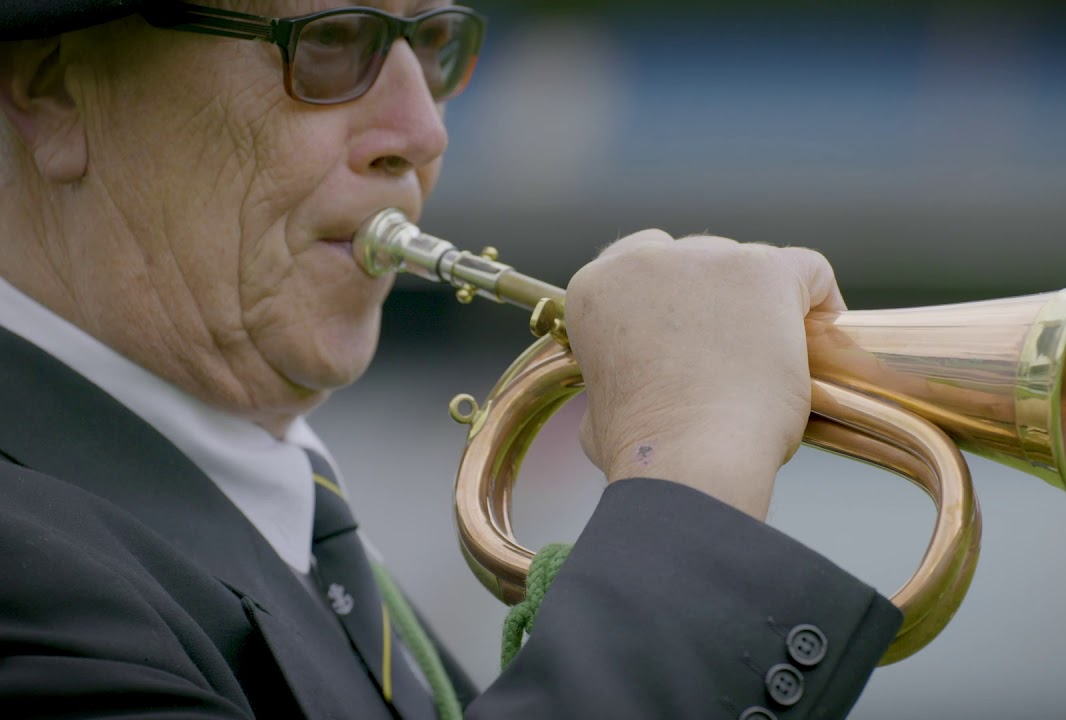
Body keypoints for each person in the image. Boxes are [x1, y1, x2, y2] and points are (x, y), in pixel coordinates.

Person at [0, 2, 903, 718]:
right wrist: (694, 471)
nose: (423, 130)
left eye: (432, 42)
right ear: (55, 93)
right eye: (331, 41)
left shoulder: (264, 515)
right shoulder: (27, 581)